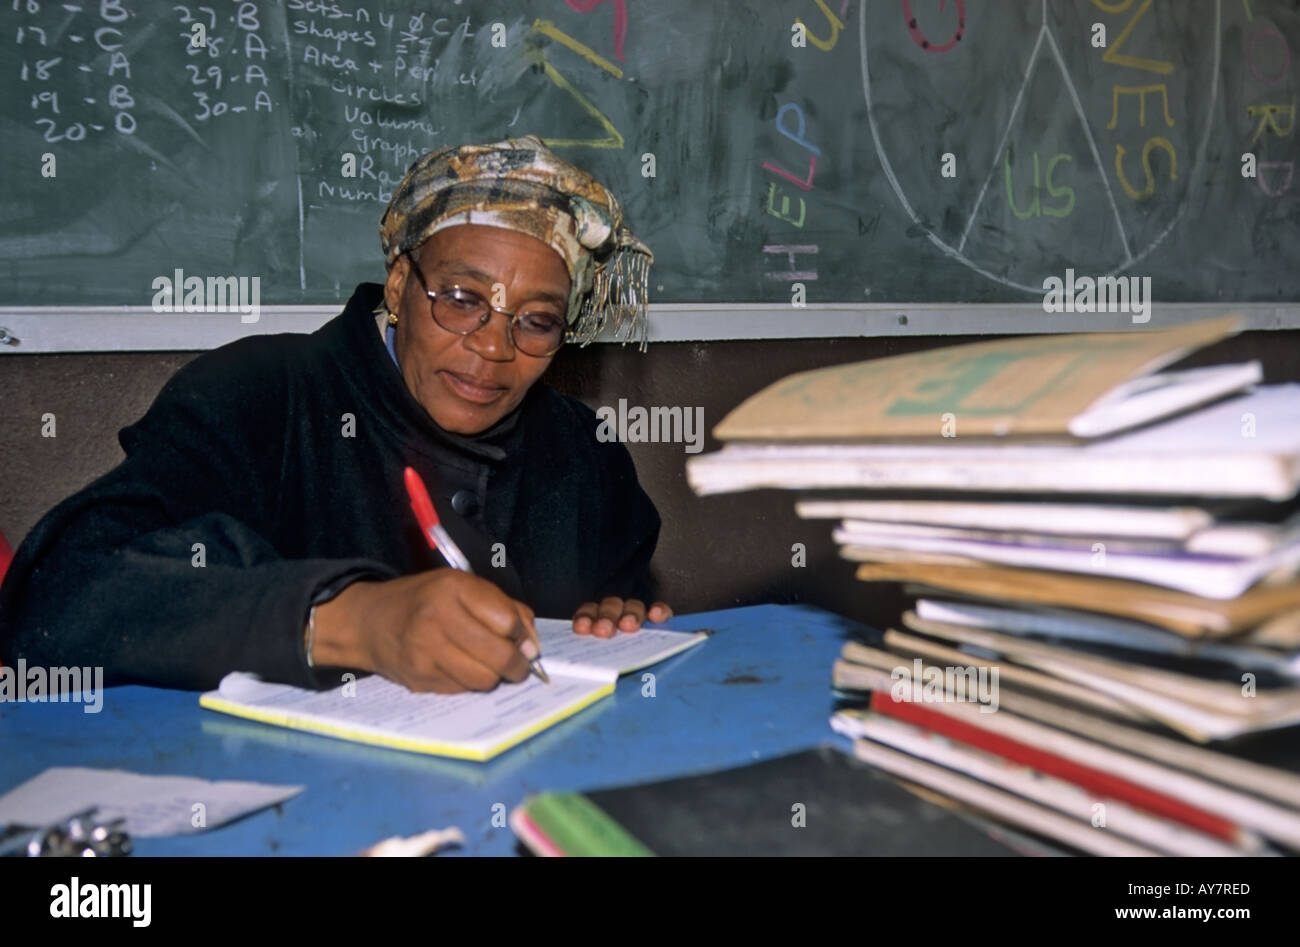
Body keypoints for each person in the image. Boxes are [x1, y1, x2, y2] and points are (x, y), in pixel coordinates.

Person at [0, 135, 671, 694]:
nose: (495, 347)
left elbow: (620, 602)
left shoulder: (583, 452)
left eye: (537, 321)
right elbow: (59, 597)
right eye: (462, 298)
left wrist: (612, 619)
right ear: (402, 285)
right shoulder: (259, 396)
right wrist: (348, 620)